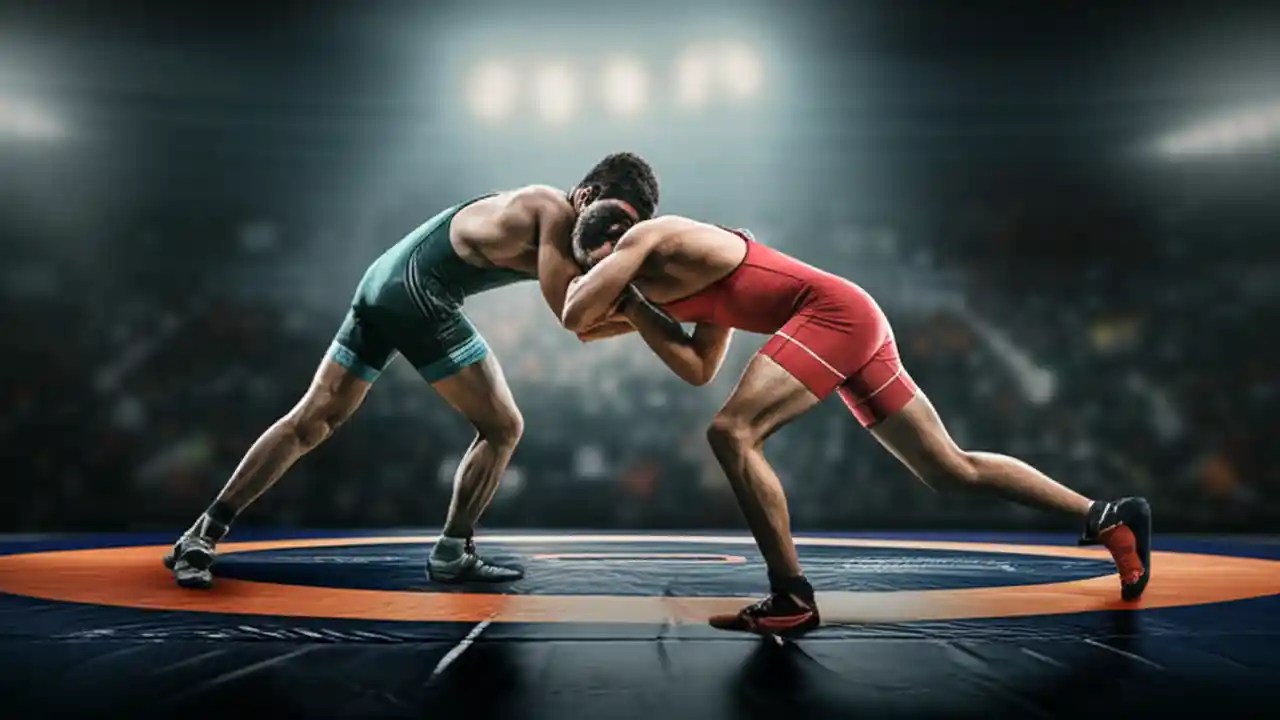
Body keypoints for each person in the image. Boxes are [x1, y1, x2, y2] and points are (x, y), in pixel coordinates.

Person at [560, 201, 1152, 637]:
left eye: (601, 267)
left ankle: (790, 596)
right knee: (950, 469)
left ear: (616, 238)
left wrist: (607, 297)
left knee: (732, 433)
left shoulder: (653, 233)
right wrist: (637, 311)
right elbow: (697, 367)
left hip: (831, 315)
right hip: (847, 319)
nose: (611, 284)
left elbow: (574, 312)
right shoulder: (668, 282)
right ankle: (1107, 516)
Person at [164, 153, 659, 589]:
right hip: (418, 292)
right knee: (503, 426)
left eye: (624, 236)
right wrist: (667, 317)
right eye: (612, 225)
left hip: (384, 281)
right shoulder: (551, 210)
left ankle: (202, 533)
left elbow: (593, 314)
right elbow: (574, 316)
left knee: (313, 421)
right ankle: (451, 552)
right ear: (588, 194)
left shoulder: (571, 230)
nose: (612, 244)